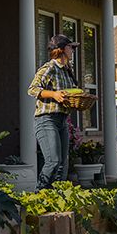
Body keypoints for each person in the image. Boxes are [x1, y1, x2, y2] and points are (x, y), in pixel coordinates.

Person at [27, 34, 80, 189]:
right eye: (71, 47)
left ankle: (56, 197)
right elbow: (32, 89)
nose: (73, 50)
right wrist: (54, 94)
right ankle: (39, 194)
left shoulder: (67, 71)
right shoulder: (49, 68)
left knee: (63, 164)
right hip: (46, 120)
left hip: (62, 120)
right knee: (53, 161)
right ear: (62, 49)